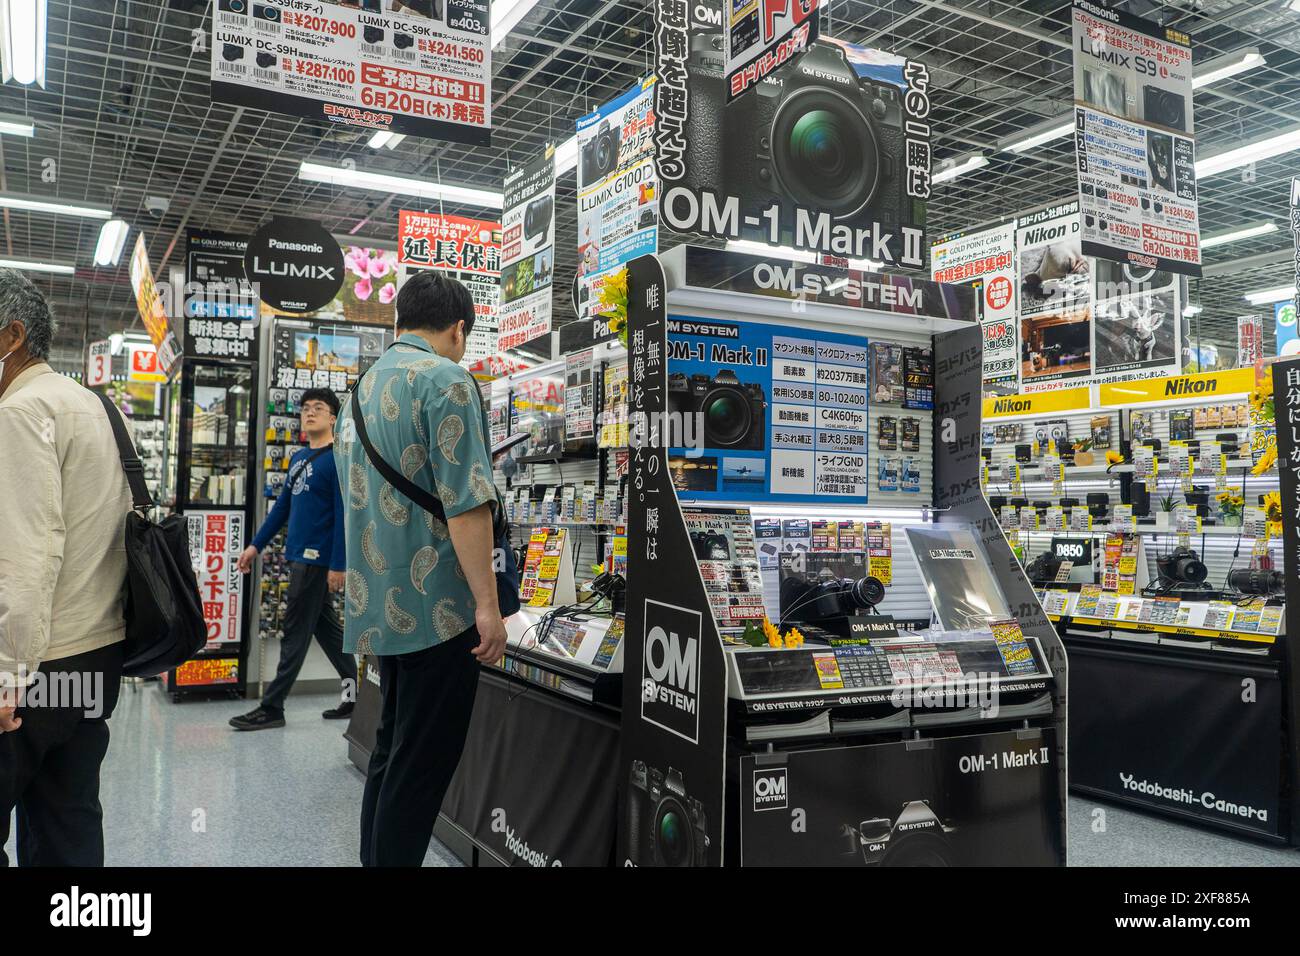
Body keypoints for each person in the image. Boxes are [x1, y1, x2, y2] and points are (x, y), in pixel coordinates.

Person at [335, 270, 508, 867]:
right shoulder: (448, 381)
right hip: (440, 607)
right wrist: (487, 605)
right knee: (422, 765)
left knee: (390, 751)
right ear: (458, 329)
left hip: (379, 604)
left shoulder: (357, 392)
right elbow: (466, 501)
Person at [0, 268, 132, 866]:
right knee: (69, 824)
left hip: (35, 666)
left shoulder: (21, 412)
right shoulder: (95, 405)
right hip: (95, 655)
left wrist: (6, 674)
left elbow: (27, 556)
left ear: (12, 336)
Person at [230, 388, 355, 730]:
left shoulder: (337, 460)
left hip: (317, 561)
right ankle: (356, 695)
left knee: (294, 633)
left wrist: (338, 564)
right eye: (305, 408)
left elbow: (345, 514)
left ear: (333, 418)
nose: (309, 413)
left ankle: (272, 707)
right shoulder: (298, 458)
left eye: (318, 408)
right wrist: (255, 546)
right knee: (327, 632)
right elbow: (282, 508)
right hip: (296, 556)